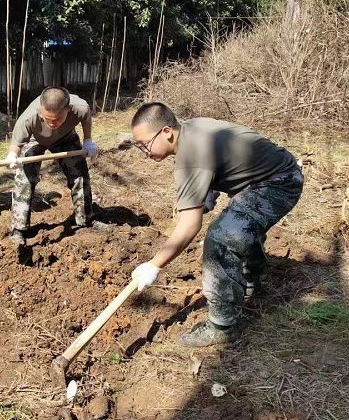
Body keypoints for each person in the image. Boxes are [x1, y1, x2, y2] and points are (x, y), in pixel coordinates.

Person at [129, 102, 303, 347]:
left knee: (222, 236)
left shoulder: (191, 156)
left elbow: (190, 225)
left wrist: (154, 265)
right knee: (238, 224)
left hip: (279, 182)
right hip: (264, 175)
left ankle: (222, 326)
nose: (144, 152)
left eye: (144, 144)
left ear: (167, 132)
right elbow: (218, 161)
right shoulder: (190, 129)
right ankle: (251, 277)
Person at [4, 86, 105, 246]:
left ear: (68, 109)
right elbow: (16, 143)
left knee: (79, 174)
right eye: (47, 118)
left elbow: (86, 119)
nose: (52, 123)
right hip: (36, 138)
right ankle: (18, 229)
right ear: (41, 109)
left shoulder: (80, 107)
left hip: (65, 136)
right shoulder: (29, 117)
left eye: (57, 119)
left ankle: (86, 219)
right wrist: (13, 156)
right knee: (24, 179)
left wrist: (88, 140)